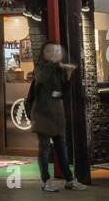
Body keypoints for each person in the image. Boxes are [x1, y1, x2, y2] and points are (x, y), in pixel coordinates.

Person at [26, 43, 85, 192]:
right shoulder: (41, 67)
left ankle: (69, 180)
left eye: (56, 51)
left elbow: (63, 92)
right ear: (43, 53)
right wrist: (56, 65)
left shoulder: (58, 69)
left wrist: (68, 75)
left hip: (57, 115)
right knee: (44, 149)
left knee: (61, 149)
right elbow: (42, 78)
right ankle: (46, 181)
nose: (54, 53)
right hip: (42, 114)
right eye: (50, 51)